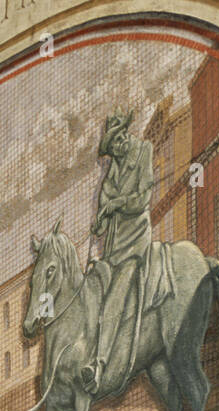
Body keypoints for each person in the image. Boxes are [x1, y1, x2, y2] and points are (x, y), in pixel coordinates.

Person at [82, 110, 153, 394]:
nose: (121, 144)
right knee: (93, 288)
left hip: (135, 240)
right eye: (115, 144)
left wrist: (116, 204)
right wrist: (100, 218)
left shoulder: (144, 151)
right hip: (113, 246)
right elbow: (103, 204)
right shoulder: (112, 169)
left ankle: (98, 364)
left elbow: (143, 199)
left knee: (114, 295)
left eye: (122, 137)